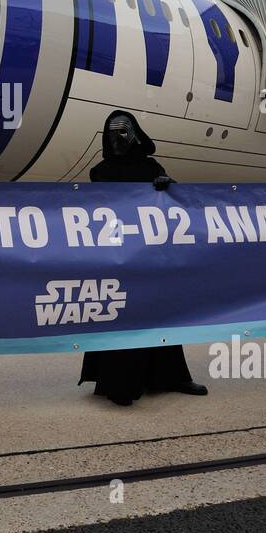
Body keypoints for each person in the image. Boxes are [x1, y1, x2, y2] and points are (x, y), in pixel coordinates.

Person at [78, 110, 209, 406]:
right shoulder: (99, 172)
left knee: (160, 312)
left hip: (150, 255)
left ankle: (174, 376)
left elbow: (172, 207)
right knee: (120, 315)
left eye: (123, 132)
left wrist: (166, 186)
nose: (117, 139)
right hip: (118, 256)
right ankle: (119, 383)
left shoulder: (151, 167)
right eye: (112, 134)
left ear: (135, 134)